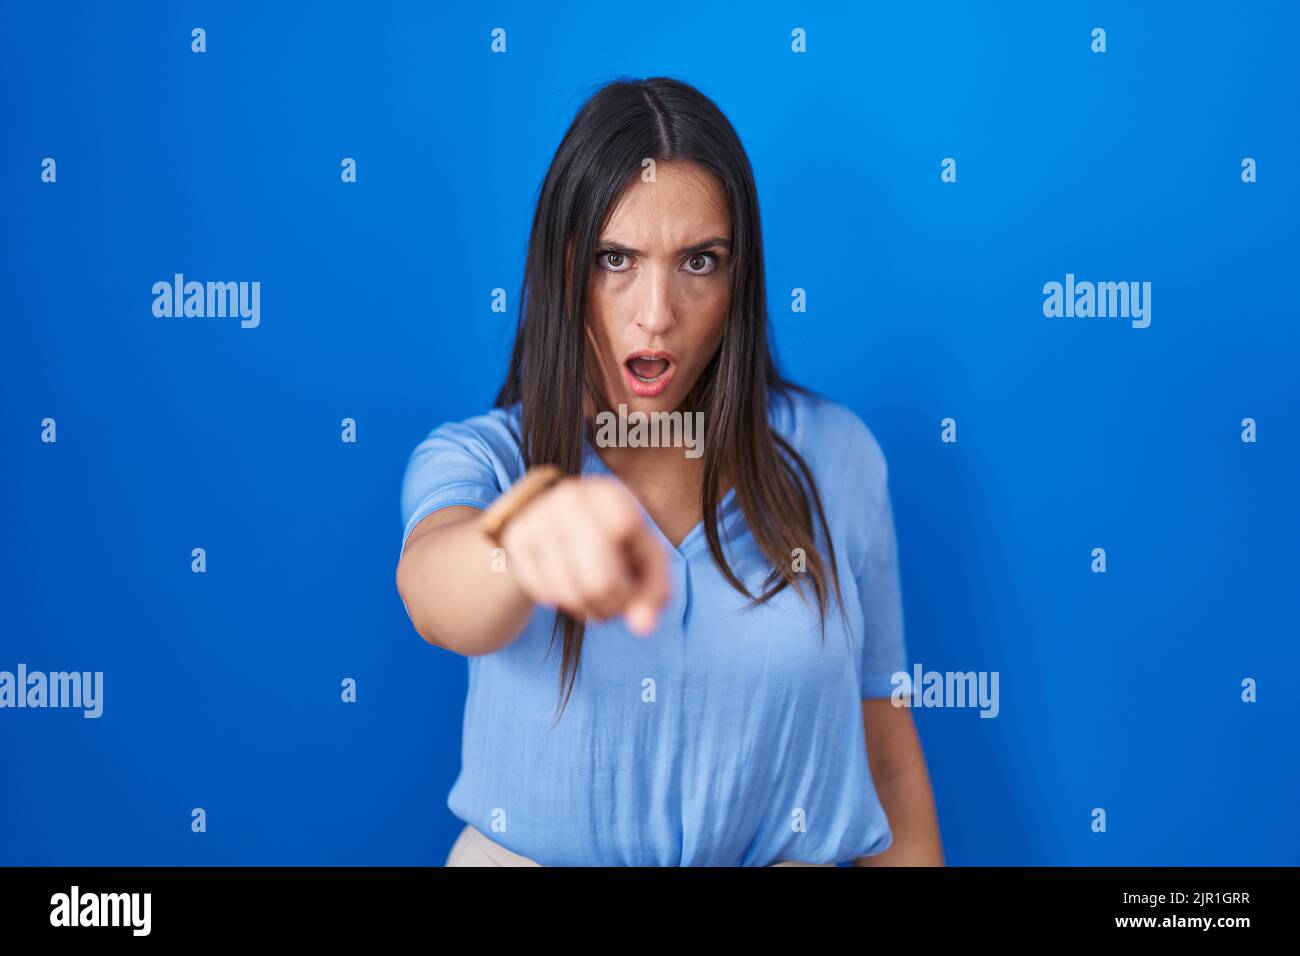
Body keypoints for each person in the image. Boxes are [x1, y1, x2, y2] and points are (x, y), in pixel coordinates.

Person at [396, 76, 943, 867]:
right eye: (615, 258)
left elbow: (886, 751)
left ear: (739, 279)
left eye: (699, 261)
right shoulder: (483, 460)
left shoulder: (839, 455)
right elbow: (437, 595)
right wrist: (518, 548)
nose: (656, 312)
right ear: (563, 271)